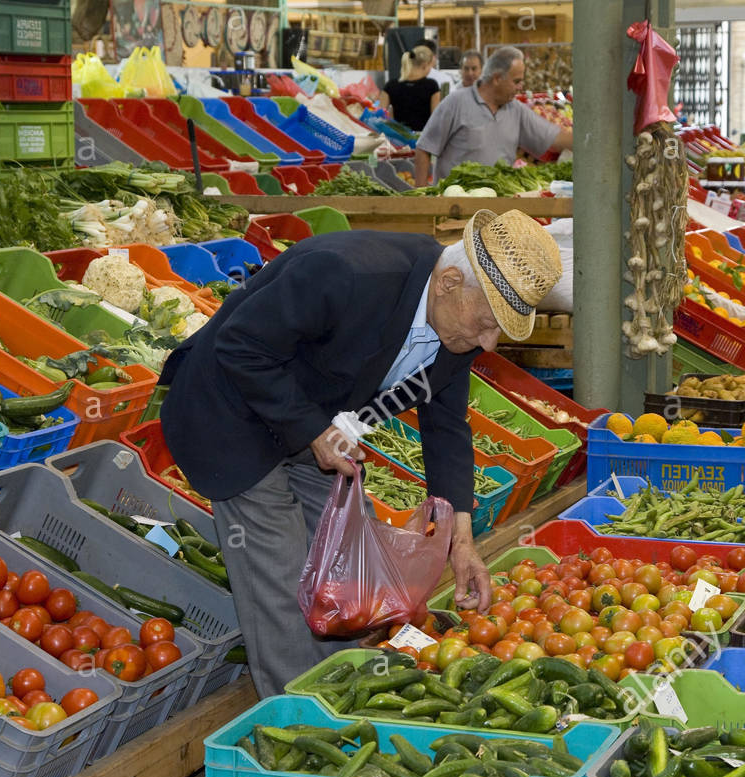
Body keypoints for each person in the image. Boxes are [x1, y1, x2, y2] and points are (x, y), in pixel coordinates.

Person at [158, 210, 563, 697]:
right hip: (230, 413)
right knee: (284, 580)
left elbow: (446, 424)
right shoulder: (345, 272)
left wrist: (462, 537)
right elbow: (240, 346)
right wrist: (315, 433)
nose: (488, 342)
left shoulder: (458, 320)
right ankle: (301, 716)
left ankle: (345, 681)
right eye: (486, 324)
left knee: (353, 564)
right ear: (451, 281)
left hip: (316, 415)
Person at [414, 46, 574, 186]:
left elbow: (555, 138)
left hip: (498, 204)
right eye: (516, 81)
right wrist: (422, 195)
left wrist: (590, 143)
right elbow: (424, 147)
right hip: (455, 205)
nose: (520, 87)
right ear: (497, 78)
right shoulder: (455, 102)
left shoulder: (516, 110)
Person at [379, 45, 441, 132]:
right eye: (431, 66)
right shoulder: (431, 85)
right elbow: (436, 119)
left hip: (398, 140)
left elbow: (379, 116)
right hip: (422, 139)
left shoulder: (391, 85)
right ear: (425, 65)